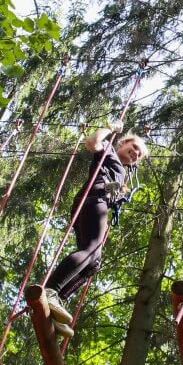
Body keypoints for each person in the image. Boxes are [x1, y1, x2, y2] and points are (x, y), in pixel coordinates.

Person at [44, 124, 148, 338]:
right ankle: (50, 290)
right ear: (122, 142)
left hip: (94, 202)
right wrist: (109, 128)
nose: (136, 153)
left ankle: (57, 300)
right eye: (134, 146)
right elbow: (91, 143)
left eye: (139, 154)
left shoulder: (120, 171)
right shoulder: (109, 149)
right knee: (92, 250)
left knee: (94, 261)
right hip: (93, 200)